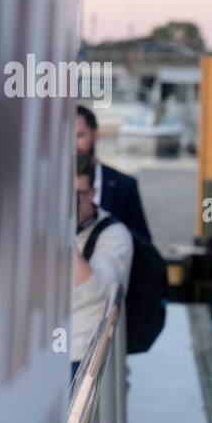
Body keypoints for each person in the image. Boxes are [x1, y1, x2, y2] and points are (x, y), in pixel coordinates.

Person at [70, 152, 134, 383]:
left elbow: (99, 292)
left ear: (93, 194)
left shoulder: (113, 234)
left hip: (82, 356)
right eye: (65, 194)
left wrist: (64, 237)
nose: (72, 202)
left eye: (79, 194)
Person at [75, 105, 152, 243]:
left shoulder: (124, 185)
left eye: (79, 135)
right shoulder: (46, 183)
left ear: (95, 135)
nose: (73, 144)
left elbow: (143, 244)